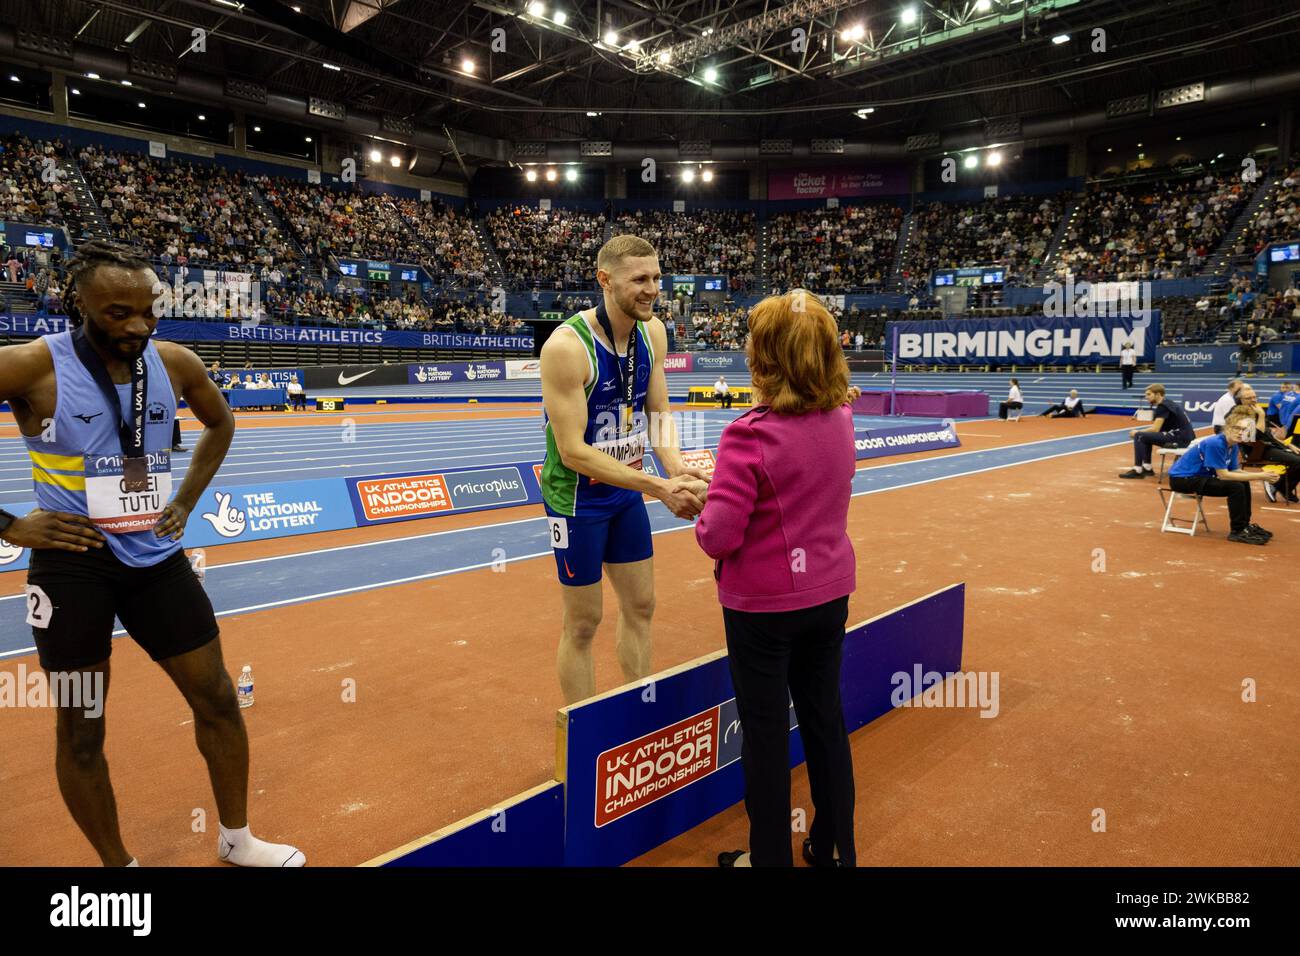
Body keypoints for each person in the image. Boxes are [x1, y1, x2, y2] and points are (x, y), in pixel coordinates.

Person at [0, 241, 304, 867]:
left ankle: (237, 838)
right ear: (75, 302)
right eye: (117, 313)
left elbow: (221, 425)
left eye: (149, 312)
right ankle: (119, 871)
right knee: (83, 729)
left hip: (154, 558)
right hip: (71, 566)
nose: (137, 326)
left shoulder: (175, 363)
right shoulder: (33, 365)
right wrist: (8, 525)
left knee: (217, 696)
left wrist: (187, 501)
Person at [696, 290, 857, 869]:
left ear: (765, 357)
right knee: (825, 723)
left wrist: (703, 504)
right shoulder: (841, 416)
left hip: (763, 608)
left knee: (765, 736)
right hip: (830, 594)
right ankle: (833, 848)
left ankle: (768, 860)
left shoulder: (749, 434)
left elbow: (720, 535)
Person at [538, 235, 710, 705]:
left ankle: (636, 714)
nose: (652, 289)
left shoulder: (653, 332)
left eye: (656, 277)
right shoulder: (566, 349)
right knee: (583, 623)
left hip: (626, 490)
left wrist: (678, 469)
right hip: (577, 498)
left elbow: (658, 413)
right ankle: (582, 735)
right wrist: (660, 487)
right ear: (605, 280)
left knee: (641, 606)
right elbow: (572, 451)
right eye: (639, 279)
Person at [1167, 408, 1278, 544]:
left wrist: (1260, 475)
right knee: (1235, 487)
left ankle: (1244, 526)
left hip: (1199, 477)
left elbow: (1235, 471)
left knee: (1244, 482)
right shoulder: (1216, 443)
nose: (1240, 433)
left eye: (1245, 430)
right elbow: (1224, 475)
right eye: (1237, 428)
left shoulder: (1233, 445)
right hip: (1182, 480)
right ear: (1227, 427)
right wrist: (1261, 477)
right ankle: (1237, 531)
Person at [1234, 386, 1300, 504]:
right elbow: (1252, 437)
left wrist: (1287, 445)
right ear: (1241, 400)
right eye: (1249, 398)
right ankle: (1278, 485)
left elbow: (1268, 435)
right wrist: (1262, 416)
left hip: (1268, 446)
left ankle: (1281, 486)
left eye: (1255, 397)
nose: (1254, 400)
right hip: (1255, 450)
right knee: (1298, 461)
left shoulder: (1255, 409)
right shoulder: (1239, 413)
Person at [1118, 383, 1197, 478]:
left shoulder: (1162, 406)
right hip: (1183, 437)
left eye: (1149, 394)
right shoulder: (1168, 403)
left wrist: (1136, 432)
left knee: (1139, 435)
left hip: (1178, 438)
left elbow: (1155, 429)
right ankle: (1147, 468)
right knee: (1145, 437)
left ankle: (1138, 470)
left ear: (1158, 394)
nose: (1146, 397)